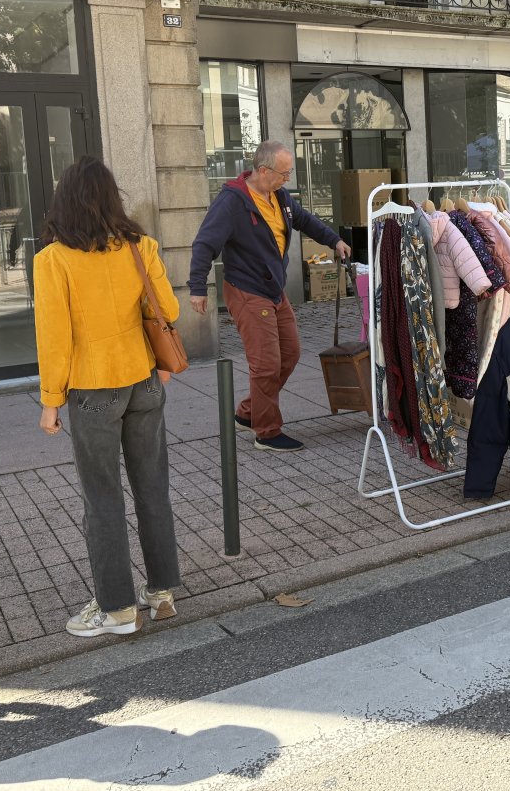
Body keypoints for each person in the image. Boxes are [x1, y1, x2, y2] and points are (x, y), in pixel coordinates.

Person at [33, 156, 182, 637]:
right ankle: (161, 593)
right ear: (113, 198)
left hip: (93, 389)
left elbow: (54, 337)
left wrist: (50, 401)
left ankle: (117, 609)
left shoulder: (53, 260)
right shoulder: (141, 247)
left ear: (65, 203)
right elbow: (170, 309)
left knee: (103, 499)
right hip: (143, 380)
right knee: (152, 488)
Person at [188, 140, 351, 453]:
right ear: (263, 171)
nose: (287, 179)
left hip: (274, 289)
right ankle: (267, 431)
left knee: (289, 354)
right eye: (283, 173)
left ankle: (249, 413)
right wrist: (197, 288)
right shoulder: (233, 201)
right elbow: (204, 244)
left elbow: (303, 220)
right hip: (247, 290)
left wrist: (333, 239)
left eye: (289, 173)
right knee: (266, 364)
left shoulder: (279, 196)